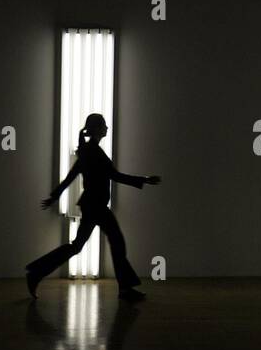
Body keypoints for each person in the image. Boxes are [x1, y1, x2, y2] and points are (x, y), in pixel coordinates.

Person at [26, 113, 161, 300]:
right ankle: (125, 289)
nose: (107, 128)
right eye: (104, 125)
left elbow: (70, 177)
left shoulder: (88, 151)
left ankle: (36, 273)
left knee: (79, 245)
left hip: (91, 205)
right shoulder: (92, 152)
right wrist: (144, 180)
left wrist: (54, 196)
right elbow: (115, 175)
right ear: (97, 128)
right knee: (116, 241)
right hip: (95, 206)